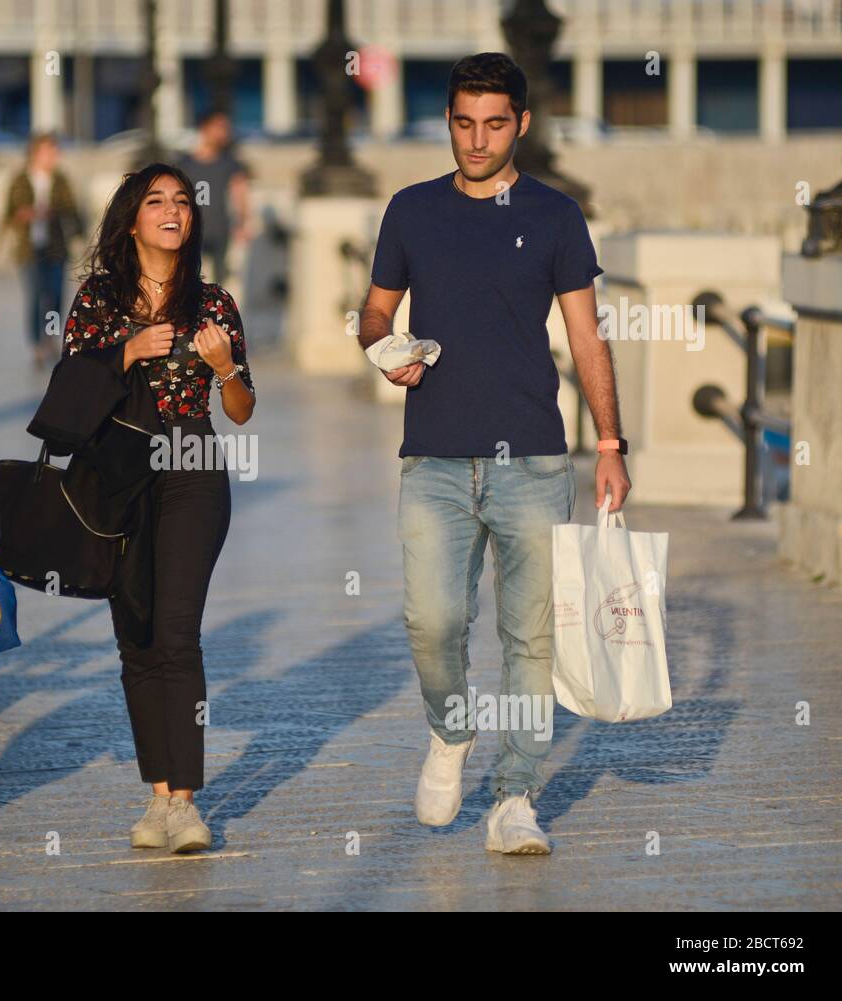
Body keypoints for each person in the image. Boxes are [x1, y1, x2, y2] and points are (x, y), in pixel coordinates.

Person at [358, 52, 631, 856]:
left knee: (531, 638)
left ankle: (515, 796)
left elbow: (586, 335)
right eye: (464, 122)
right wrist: (383, 351)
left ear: (522, 124)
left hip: (536, 461)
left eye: (495, 123)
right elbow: (374, 312)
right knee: (432, 619)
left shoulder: (555, 215)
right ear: (448, 119)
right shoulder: (409, 211)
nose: (477, 140)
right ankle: (451, 732)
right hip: (434, 459)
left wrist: (610, 442)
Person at [63, 163, 255, 853]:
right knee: (136, 637)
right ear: (132, 218)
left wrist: (226, 368)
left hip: (192, 470)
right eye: (157, 201)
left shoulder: (214, 304)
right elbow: (70, 393)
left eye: (182, 201)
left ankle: (187, 801)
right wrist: (124, 352)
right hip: (117, 474)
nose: (173, 211)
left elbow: (241, 408)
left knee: (176, 631)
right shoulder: (96, 302)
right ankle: (156, 796)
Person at [2, 133, 84, 369]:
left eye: (55, 151)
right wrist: (24, 214)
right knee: (36, 296)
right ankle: (37, 343)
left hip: (56, 246)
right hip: (28, 248)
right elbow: (9, 211)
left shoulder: (60, 180)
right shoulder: (20, 179)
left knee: (56, 294)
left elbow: (73, 210)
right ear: (36, 153)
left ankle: (51, 337)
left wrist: (57, 214)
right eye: (49, 151)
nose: (54, 156)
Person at [177, 109, 252, 286]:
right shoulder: (184, 163)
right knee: (188, 278)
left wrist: (242, 223)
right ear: (205, 128)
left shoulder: (230, 163)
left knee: (221, 281)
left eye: (225, 128)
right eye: (219, 127)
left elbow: (240, 192)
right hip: (191, 230)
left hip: (220, 230)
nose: (223, 133)